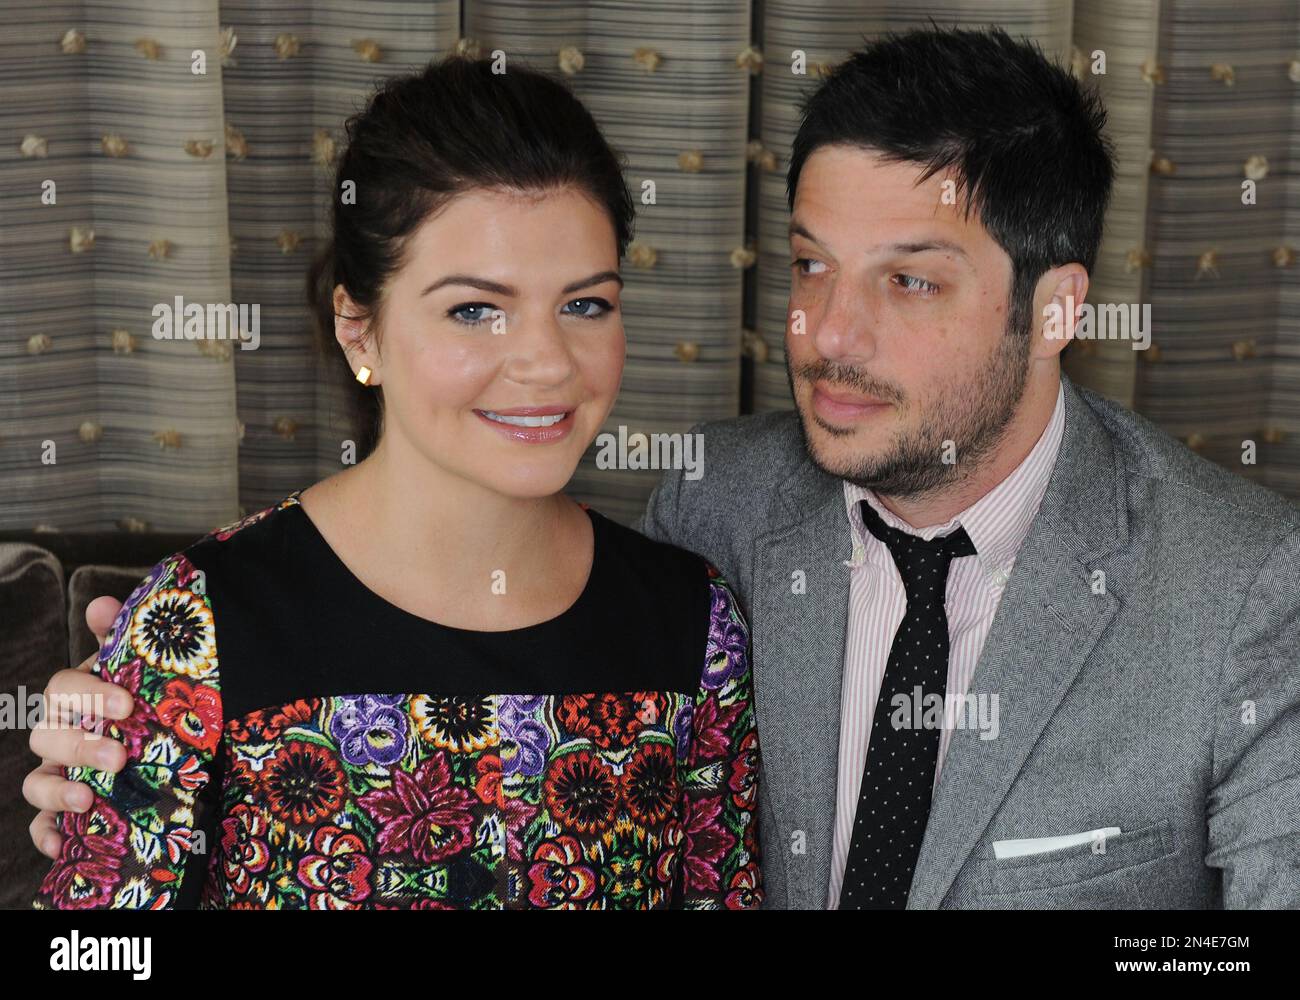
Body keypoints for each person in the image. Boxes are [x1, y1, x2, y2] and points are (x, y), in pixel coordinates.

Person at [27, 26, 1300, 911]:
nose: (828, 336)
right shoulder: (728, 515)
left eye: (908, 279)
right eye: (807, 267)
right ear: (359, 326)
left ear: (1058, 304)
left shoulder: (1243, 585)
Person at [24, 56, 762, 910]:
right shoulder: (196, 625)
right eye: (474, 309)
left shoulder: (693, 622)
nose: (547, 363)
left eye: (585, 304)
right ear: (359, 329)